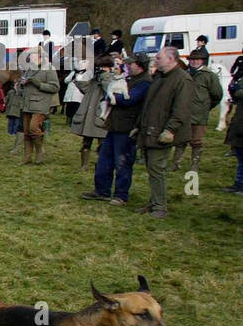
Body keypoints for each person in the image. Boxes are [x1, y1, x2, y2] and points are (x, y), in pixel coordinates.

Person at [135, 47, 194, 219]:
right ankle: (154, 202)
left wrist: (170, 130)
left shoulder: (182, 79)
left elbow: (181, 109)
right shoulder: (159, 77)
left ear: (171, 59)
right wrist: (139, 125)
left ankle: (160, 207)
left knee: (157, 168)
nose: (156, 61)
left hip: (163, 132)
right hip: (150, 129)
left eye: (159, 58)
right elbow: (148, 105)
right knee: (151, 168)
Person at [84, 53, 150, 206]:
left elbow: (129, 99)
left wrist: (112, 97)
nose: (127, 66)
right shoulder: (129, 79)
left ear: (139, 65)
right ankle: (102, 191)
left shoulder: (144, 83)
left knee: (122, 162)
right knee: (104, 159)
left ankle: (121, 195)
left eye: (130, 64)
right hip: (114, 125)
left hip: (127, 128)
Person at [176, 47, 223, 173]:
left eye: (197, 60)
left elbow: (217, 94)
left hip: (199, 114)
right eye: (192, 60)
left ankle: (194, 165)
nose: (194, 62)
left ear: (202, 61)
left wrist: (205, 106)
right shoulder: (185, 74)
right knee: (180, 139)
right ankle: (176, 163)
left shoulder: (209, 76)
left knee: (196, 141)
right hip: (183, 113)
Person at [70, 55, 112, 170]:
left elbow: (109, 90)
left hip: (101, 113)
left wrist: (104, 76)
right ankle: (84, 165)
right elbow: (85, 89)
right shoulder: (95, 79)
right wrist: (78, 76)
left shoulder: (110, 78)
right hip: (89, 114)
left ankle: (101, 165)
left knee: (102, 143)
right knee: (86, 142)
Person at [19, 49, 59, 164]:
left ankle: (40, 151)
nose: (29, 57)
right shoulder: (29, 69)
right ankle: (27, 157)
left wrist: (38, 83)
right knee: (26, 131)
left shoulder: (49, 69)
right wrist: (21, 84)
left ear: (40, 56)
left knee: (33, 128)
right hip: (27, 103)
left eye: (32, 55)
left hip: (41, 103)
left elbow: (55, 87)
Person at [223, 76, 243, 194]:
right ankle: (238, 184)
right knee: (240, 156)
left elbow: (239, 93)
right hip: (239, 123)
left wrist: (237, 90)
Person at [4, 77, 24, 154]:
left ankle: (15, 133)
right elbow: (6, 99)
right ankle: (10, 132)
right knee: (10, 122)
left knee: (16, 123)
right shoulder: (11, 92)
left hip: (18, 111)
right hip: (10, 111)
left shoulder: (22, 93)